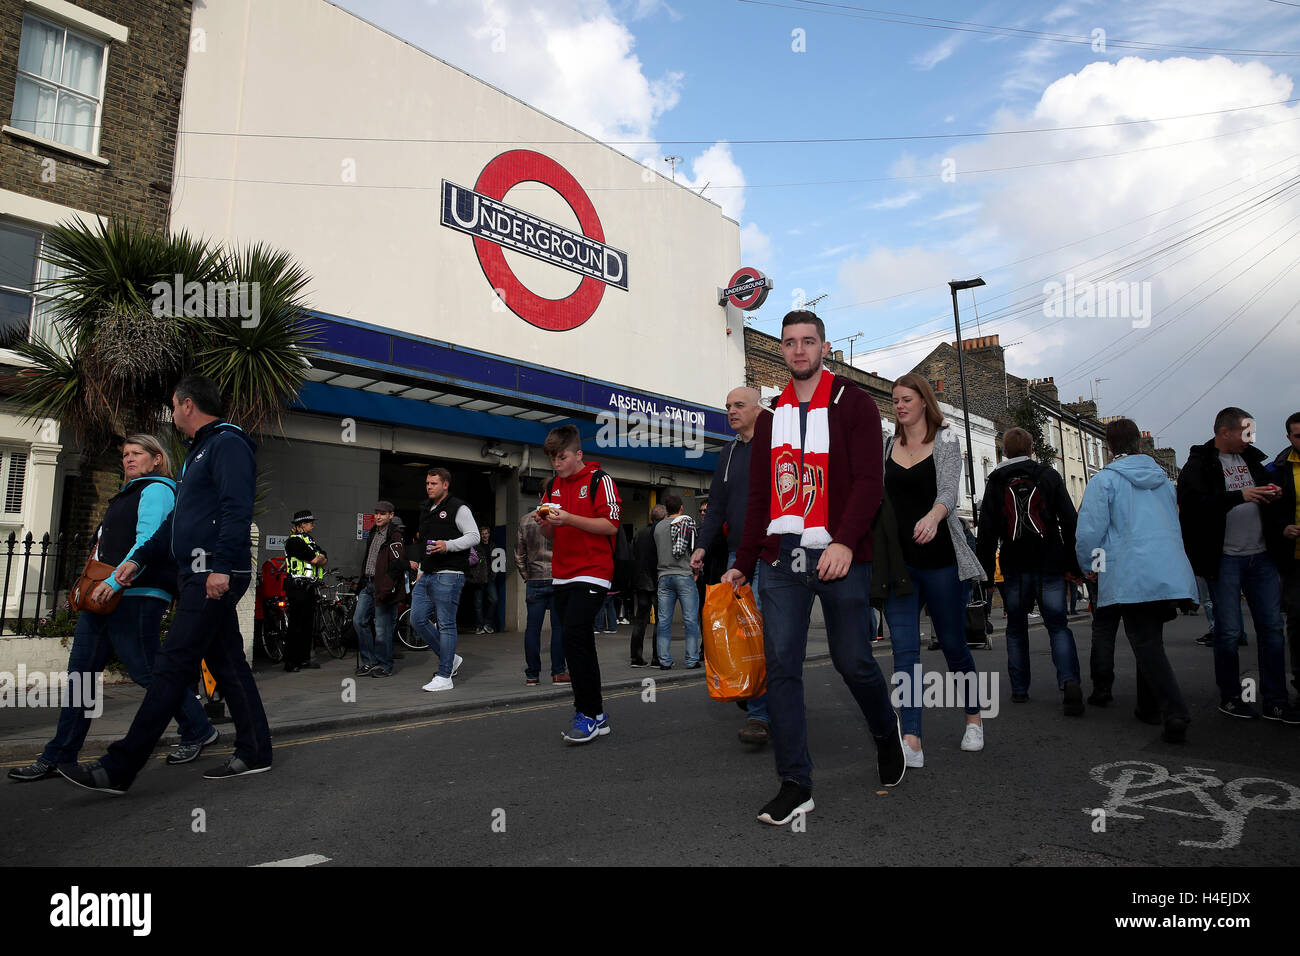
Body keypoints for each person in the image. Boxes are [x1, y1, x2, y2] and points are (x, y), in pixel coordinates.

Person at [723, 310, 905, 827]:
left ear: (824, 347)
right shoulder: (773, 413)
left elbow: (871, 481)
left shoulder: (856, 404)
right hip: (782, 560)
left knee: (853, 662)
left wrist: (845, 541)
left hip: (840, 556)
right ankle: (795, 783)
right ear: (781, 351)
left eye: (808, 341)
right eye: (789, 343)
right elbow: (760, 497)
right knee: (781, 666)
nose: (798, 350)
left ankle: (884, 730)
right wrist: (741, 563)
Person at [60, 374, 272, 792]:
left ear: (188, 405)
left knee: (172, 664)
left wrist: (222, 567)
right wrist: (136, 560)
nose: (172, 413)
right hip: (196, 572)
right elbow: (178, 522)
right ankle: (256, 751)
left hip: (211, 573)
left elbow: (236, 508)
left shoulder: (227, 443)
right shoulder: (199, 452)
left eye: (174, 405)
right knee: (229, 665)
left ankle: (120, 767)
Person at [9, 435, 218, 782]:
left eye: (137, 454)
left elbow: (148, 541)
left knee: (146, 671)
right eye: (124, 455)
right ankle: (60, 754)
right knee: (82, 674)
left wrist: (116, 582)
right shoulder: (127, 493)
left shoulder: (158, 489)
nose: (129, 459)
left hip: (137, 594)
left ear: (156, 459)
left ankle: (197, 727)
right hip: (104, 597)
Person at [881, 374, 988, 767]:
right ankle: (912, 738)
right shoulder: (888, 445)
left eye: (907, 399)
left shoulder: (944, 439)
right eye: (895, 401)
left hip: (941, 560)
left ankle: (974, 719)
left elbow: (948, 490)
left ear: (924, 401)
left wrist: (934, 516)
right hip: (901, 565)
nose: (900, 406)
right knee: (904, 651)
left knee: (953, 645)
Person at [1075, 419, 1195, 742]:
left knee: (1145, 641)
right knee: (1150, 638)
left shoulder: (1104, 482)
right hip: (1166, 569)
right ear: (1139, 445)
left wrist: (1090, 565)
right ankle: (1149, 706)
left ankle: (1174, 711)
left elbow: (1090, 532)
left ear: (1109, 447)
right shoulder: (1164, 482)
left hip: (1131, 570)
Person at [1177, 407, 1297, 722]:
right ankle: (1232, 696)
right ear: (1224, 432)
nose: (1250, 439)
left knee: (1272, 629)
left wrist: (1275, 494)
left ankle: (1275, 699)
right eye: (1245, 433)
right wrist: (1239, 495)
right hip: (1225, 558)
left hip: (1262, 557)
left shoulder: (1254, 462)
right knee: (1229, 632)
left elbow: (1268, 500)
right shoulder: (1199, 465)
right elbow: (1195, 508)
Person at [976, 427, 1085, 715]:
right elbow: (1071, 521)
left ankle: (1020, 688)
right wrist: (1073, 564)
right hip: (1049, 561)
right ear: (1032, 448)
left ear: (1004, 451)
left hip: (1014, 565)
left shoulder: (996, 481)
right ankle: (1069, 680)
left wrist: (986, 575)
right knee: (1058, 625)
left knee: (1015, 629)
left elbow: (986, 533)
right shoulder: (1048, 476)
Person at [692, 385, 773, 745]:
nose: (731, 411)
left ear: (758, 409)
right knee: (742, 635)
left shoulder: (774, 446)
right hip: (735, 556)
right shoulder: (726, 454)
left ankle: (761, 714)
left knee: (766, 636)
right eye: (727, 406)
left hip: (771, 555)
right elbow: (718, 507)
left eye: (739, 405)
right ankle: (756, 696)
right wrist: (702, 546)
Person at [536, 424, 622, 744]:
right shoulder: (553, 486)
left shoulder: (601, 480)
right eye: (552, 459)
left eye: (562, 457)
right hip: (562, 572)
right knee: (577, 642)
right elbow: (551, 534)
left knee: (573, 636)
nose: (557, 464)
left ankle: (585, 714)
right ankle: (596, 714)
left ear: (578, 454)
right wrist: (545, 524)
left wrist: (569, 517)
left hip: (593, 571)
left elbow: (610, 526)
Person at [409, 467, 479, 692]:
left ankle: (444, 675)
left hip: (450, 574)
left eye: (434, 483)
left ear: (445, 485)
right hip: (427, 574)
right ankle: (452, 659)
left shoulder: (458, 507)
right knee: (417, 619)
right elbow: (424, 544)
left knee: (446, 624)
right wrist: (420, 569)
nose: (429, 487)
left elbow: (474, 536)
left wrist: (448, 545)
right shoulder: (426, 509)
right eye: (427, 483)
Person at [1265, 411, 1300, 694]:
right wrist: (1283, 527)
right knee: (1297, 622)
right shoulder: (1276, 470)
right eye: (1298, 436)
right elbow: (1267, 511)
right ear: (1289, 437)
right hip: (1294, 560)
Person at [515, 498, 568, 685]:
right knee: (559, 627)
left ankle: (532, 675)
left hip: (535, 579)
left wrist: (526, 576)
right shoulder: (561, 517)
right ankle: (558, 672)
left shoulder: (525, 520)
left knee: (532, 629)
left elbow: (519, 554)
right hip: (558, 578)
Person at [354, 500, 406, 678]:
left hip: (383, 587)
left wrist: (387, 586)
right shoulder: (373, 533)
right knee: (359, 620)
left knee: (382, 629)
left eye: (382, 513)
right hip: (367, 584)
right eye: (376, 513)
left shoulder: (394, 535)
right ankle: (369, 662)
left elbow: (397, 564)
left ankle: (385, 665)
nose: (378, 516)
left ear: (390, 516)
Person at [654, 494, 701, 669]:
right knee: (690, 620)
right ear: (681, 508)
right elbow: (693, 550)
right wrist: (696, 572)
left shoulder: (658, 527)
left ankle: (664, 661)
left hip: (663, 576)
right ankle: (691, 659)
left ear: (666, 510)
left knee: (664, 620)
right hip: (683, 574)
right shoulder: (685, 523)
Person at [283, 509, 327, 672]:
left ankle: (303, 659)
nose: (313, 525)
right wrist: (319, 558)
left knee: (308, 625)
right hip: (297, 587)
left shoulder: (309, 540)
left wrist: (319, 558)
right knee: (296, 625)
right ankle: (291, 661)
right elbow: (316, 558)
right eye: (310, 523)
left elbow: (323, 557)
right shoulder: (294, 542)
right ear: (302, 525)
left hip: (309, 587)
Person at [630, 505, 666, 666]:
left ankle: (636, 657)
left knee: (640, 620)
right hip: (657, 580)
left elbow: (634, 556)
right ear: (664, 518)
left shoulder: (639, 535)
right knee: (660, 620)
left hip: (640, 581)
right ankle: (656, 657)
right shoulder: (662, 534)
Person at [468, 523, 498, 635]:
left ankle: (487, 623)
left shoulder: (493, 546)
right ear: (480, 535)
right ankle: (479, 626)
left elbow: (496, 561)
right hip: (479, 578)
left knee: (494, 600)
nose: (485, 536)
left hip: (490, 577)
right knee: (478, 604)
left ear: (489, 534)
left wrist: (494, 575)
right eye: (483, 534)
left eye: (486, 533)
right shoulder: (476, 546)